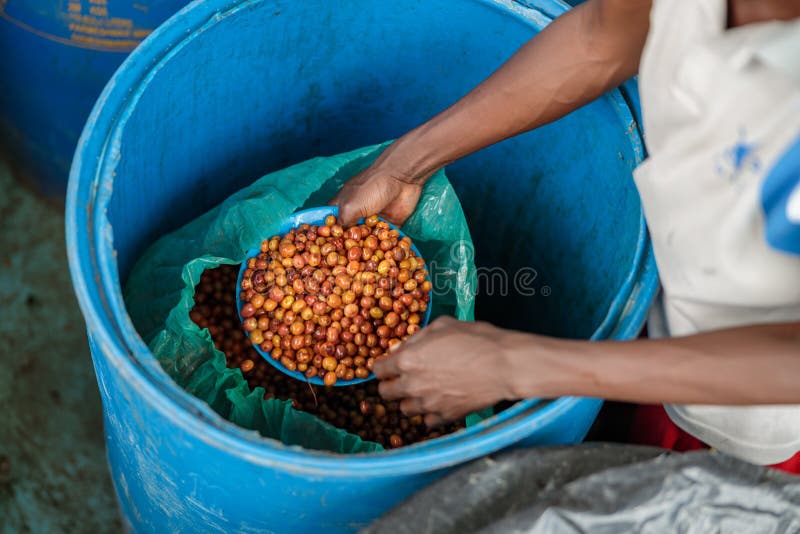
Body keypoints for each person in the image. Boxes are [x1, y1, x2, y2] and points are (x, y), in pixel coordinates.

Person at [331, 0, 800, 470]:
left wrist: (515, 365)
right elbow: (602, 37)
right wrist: (404, 166)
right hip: (678, 285)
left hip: (755, 404)